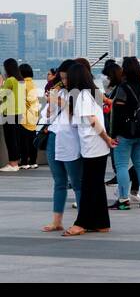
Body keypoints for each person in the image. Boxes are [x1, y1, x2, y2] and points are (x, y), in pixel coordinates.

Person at [64, 60, 113, 236]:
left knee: (89, 185)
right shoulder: (93, 93)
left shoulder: (83, 96)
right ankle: (101, 223)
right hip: (96, 145)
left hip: (93, 145)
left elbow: (92, 120)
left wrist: (106, 138)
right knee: (96, 185)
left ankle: (81, 223)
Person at [42, 62, 82, 233]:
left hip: (70, 141)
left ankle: (82, 220)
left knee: (77, 182)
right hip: (53, 137)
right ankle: (56, 221)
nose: (64, 81)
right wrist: (51, 103)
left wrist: (58, 100)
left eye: (66, 77)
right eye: (62, 77)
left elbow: (77, 115)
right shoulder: (58, 91)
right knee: (59, 182)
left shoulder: (80, 94)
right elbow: (47, 116)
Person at [109, 56, 140, 210]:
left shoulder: (123, 88)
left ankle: (123, 199)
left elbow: (117, 114)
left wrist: (113, 134)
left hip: (125, 133)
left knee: (121, 165)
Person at [1, 59, 21, 171]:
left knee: (10, 138)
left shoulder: (10, 80)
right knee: (15, 138)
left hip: (9, 113)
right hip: (18, 112)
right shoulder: (20, 80)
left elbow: (2, 95)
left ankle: (13, 164)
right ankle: (15, 162)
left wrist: (1, 83)